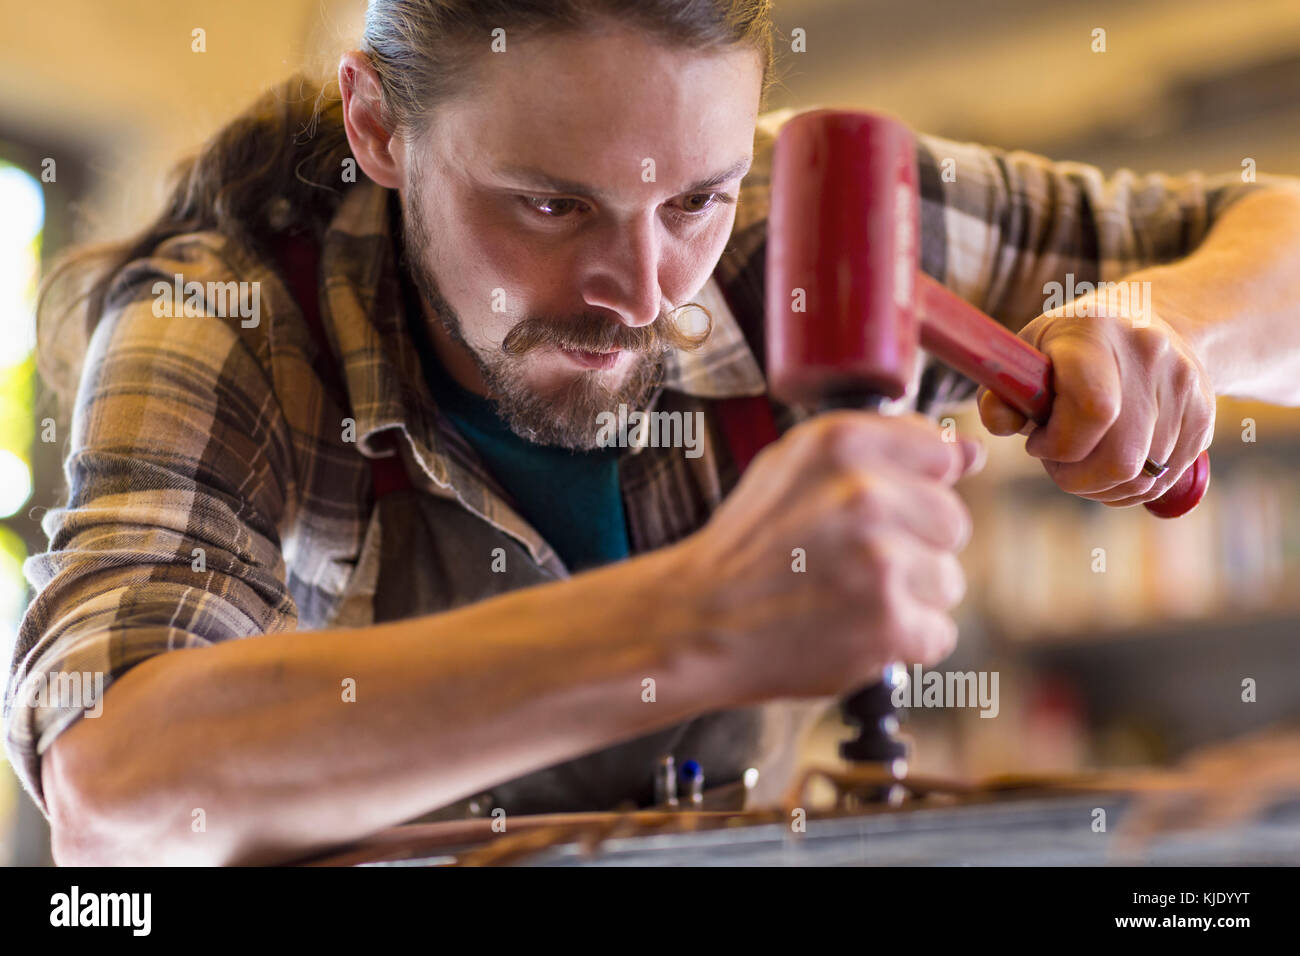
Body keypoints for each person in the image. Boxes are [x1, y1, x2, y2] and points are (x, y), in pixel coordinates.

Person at [7, 0, 1300, 866]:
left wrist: (1168, 325)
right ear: (380, 127)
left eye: (696, 195)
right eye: (551, 206)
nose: (647, 290)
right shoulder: (227, 317)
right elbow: (118, 782)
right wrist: (698, 622)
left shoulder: (803, 226)